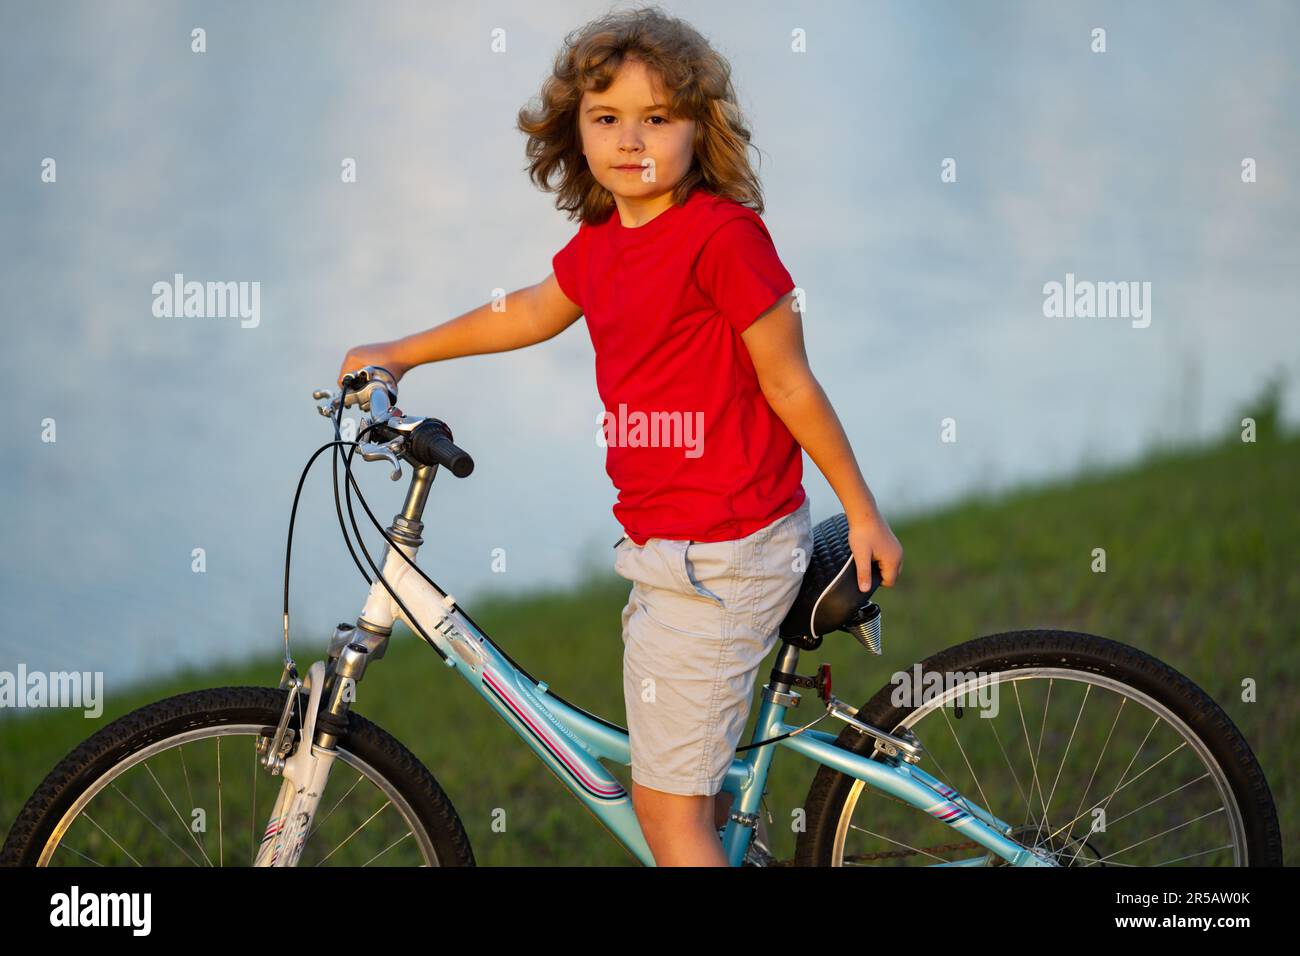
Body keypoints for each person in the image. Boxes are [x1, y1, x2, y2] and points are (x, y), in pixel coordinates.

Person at [337, 6, 904, 866]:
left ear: (697, 128)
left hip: (724, 553)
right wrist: (400, 354)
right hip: (664, 551)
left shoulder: (723, 238)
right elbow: (527, 310)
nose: (630, 139)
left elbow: (790, 382)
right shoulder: (604, 243)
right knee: (692, 803)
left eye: (656, 118)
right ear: (576, 131)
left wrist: (861, 509)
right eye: (607, 118)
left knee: (668, 822)